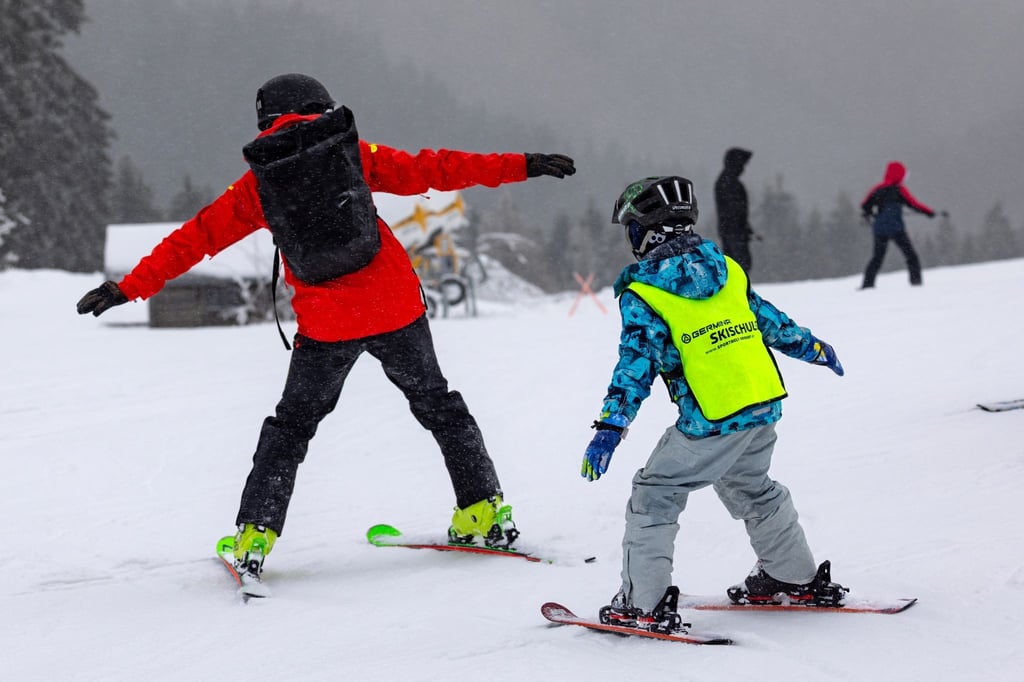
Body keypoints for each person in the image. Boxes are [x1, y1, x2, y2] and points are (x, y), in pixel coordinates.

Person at [76, 73, 576, 589]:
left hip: (327, 324)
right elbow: (436, 168)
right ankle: (483, 512)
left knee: (291, 427)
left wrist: (127, 287)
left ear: (266, 120)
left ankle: (254, 537)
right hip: (394, 308)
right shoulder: (351, 153)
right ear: (320, 106)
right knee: (440, 406)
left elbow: (194, 239)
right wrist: (523, 164)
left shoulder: (258, 183)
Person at [580, 175, 848, 633]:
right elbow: (771, 323)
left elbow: (636, 365)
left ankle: (643, 604)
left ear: (646, 233)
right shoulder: (726, 270)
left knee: (655, 494)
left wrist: (611, 426)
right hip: (761, 405)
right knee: (751, 487)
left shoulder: (645, 292)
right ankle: (793, 576)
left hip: (712, 419)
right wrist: (813, 348)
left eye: (631, 230)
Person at [860, 160, 935, 288]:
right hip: (896, 228)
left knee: (877, 258)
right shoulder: (899, 190)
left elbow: (865, 205)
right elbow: (914, 204)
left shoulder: (878, 189)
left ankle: (867, 285)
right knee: (911, 256)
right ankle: (916, 283)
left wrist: (871, 213)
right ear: (899, 175)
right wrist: (929, 212)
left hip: (879, 229)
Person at [714, 147, 756, 272]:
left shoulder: (726, 181)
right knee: (740, 265)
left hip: (731, 231)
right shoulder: (729, 183)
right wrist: (741, 229)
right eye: (742, 164)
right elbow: (735, 211)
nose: (743, 168)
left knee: (736, 265)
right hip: (734, 232)